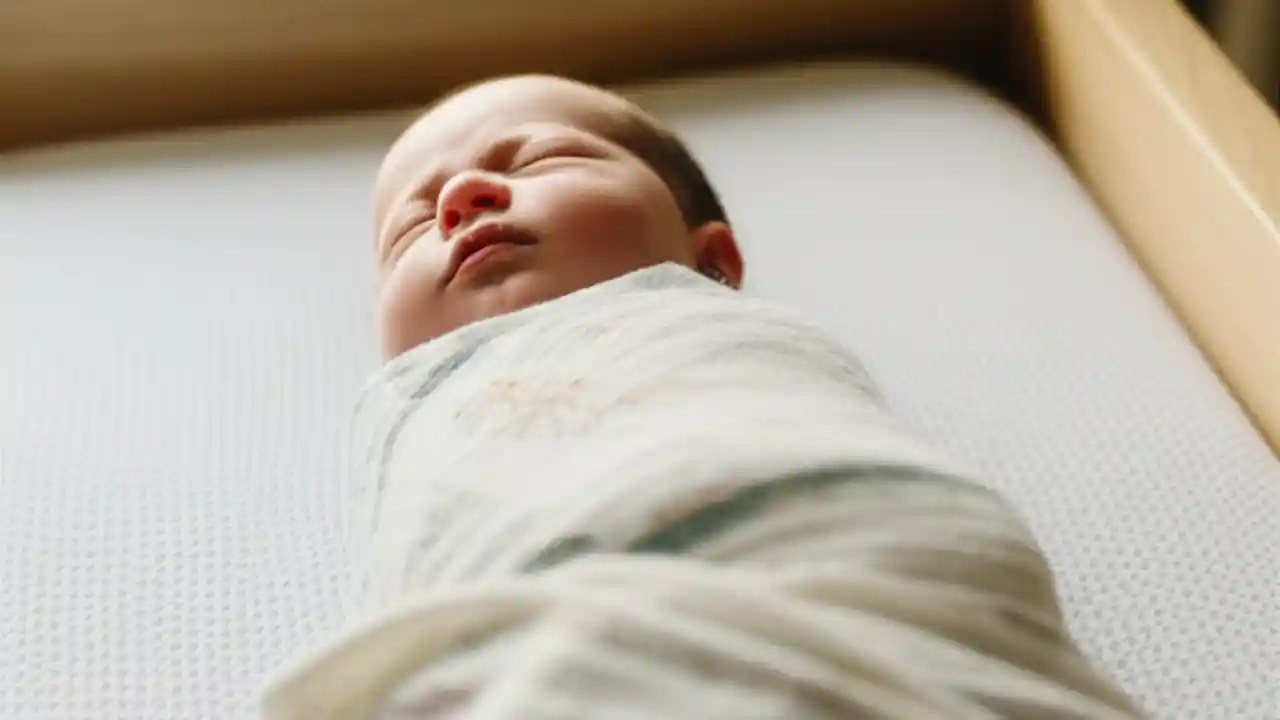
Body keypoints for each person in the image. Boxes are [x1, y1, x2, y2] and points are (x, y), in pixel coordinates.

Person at [263, 74, 1143, 719]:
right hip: (535, 628)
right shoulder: (410, 413)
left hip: (868, 581)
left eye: (543, 156)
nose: (461, 197)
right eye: (411, 226)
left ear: (712, 260)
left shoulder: (715, 329)